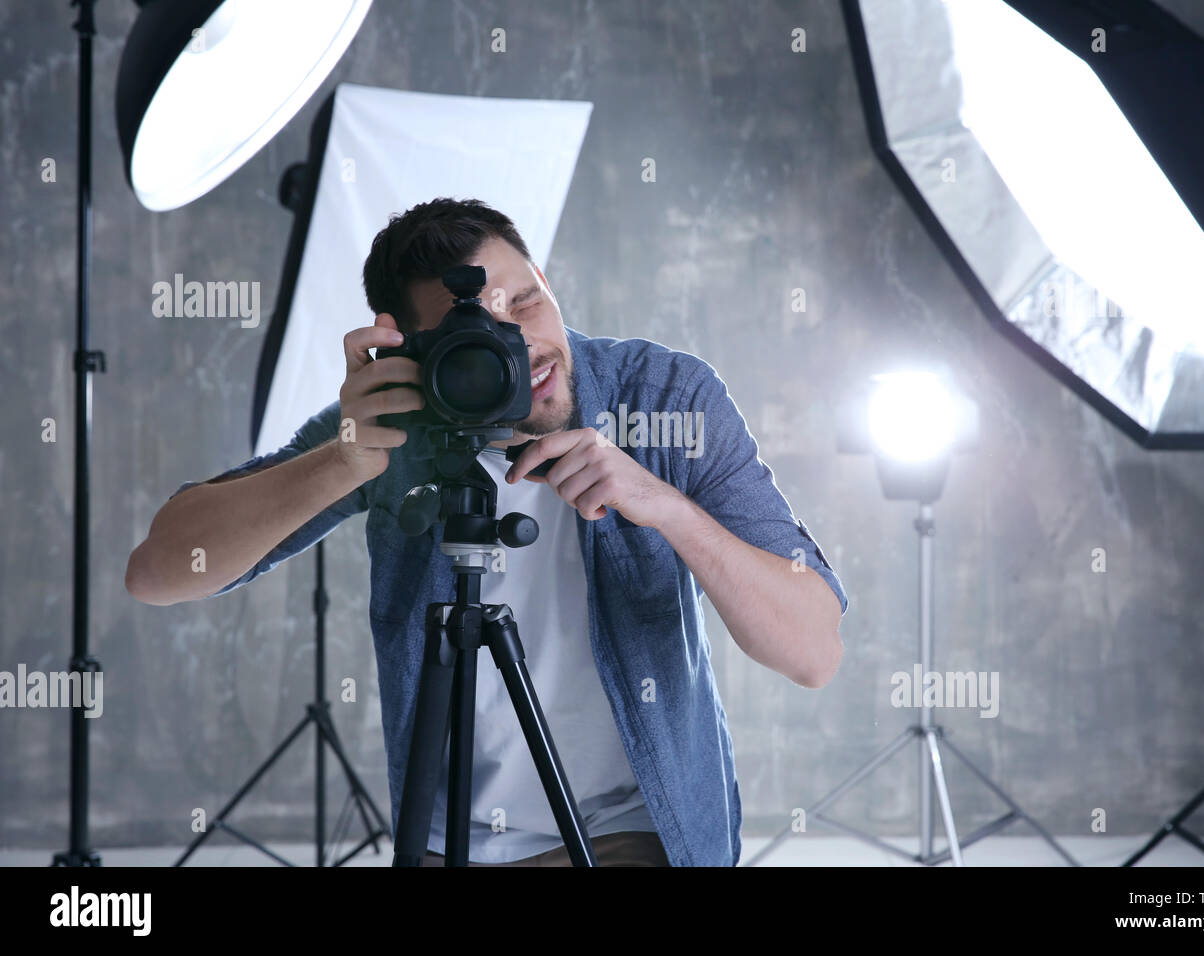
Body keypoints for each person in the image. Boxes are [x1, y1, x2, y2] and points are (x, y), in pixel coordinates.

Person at [125, 198, 848, 867]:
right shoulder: (399, 422)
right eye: (472, 338)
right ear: (412, 356)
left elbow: (813, 651)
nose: (520, 347)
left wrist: (661, 503)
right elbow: (158, 573)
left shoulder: (664, 399)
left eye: (528, 304)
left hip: (640, 830)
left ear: (548, 281)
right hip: (453, 843)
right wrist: (345, 458)